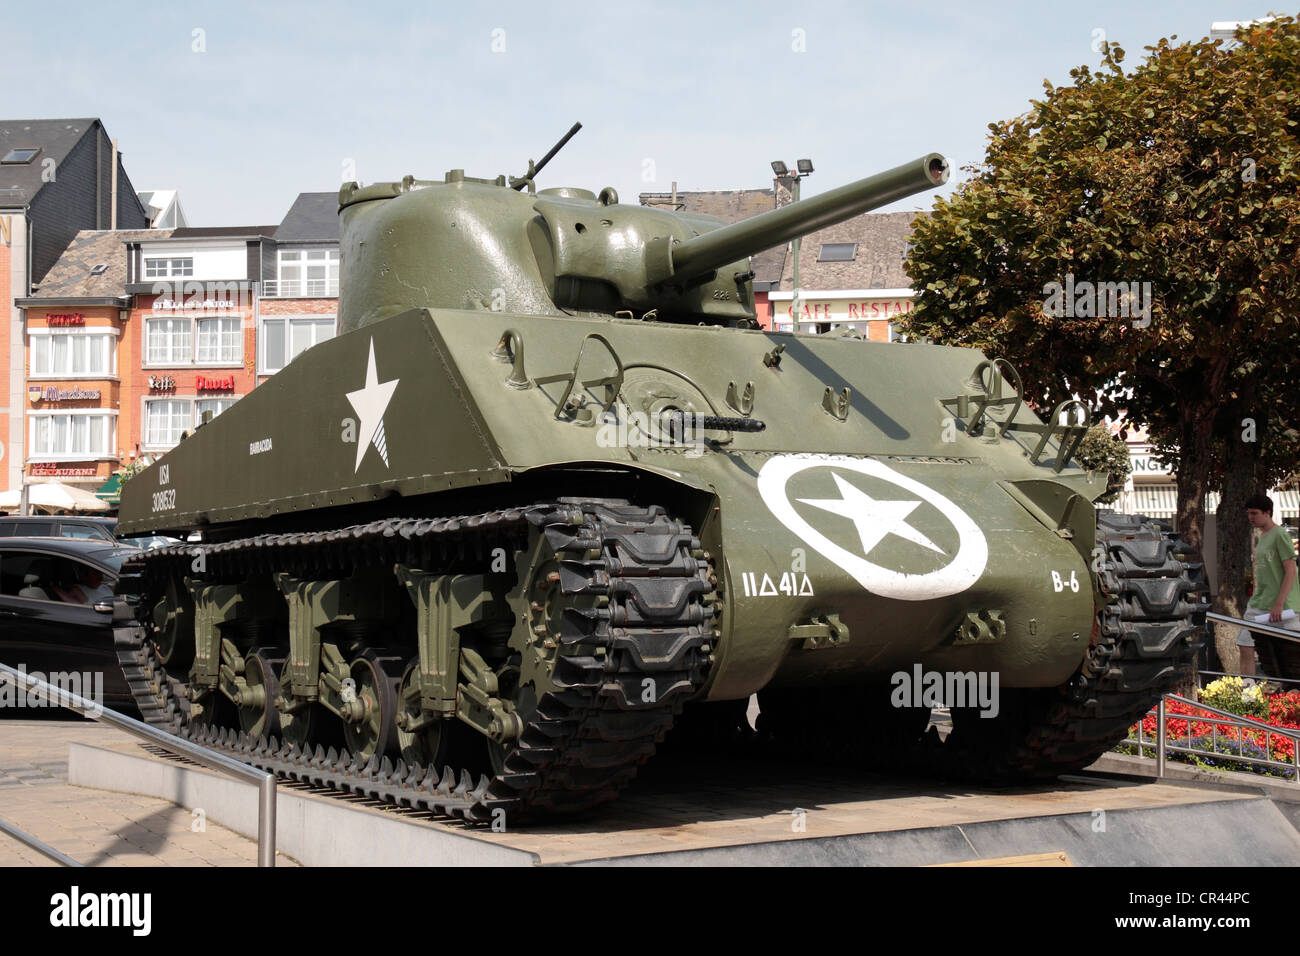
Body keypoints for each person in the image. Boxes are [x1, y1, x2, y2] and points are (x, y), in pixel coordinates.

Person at [1237, 493, 1300, 676]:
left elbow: (1291, 570)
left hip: (1284, 606)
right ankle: (1248, 694)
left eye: (1254, 513)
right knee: (1245, 643)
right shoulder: (1262, 537)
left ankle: (1291, 695)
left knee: (1291, 653)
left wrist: (1279, 603)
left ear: (1267, 513)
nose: (1251, 518)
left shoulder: (1280, 535)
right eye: (1249, 513)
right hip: (1259, 603)